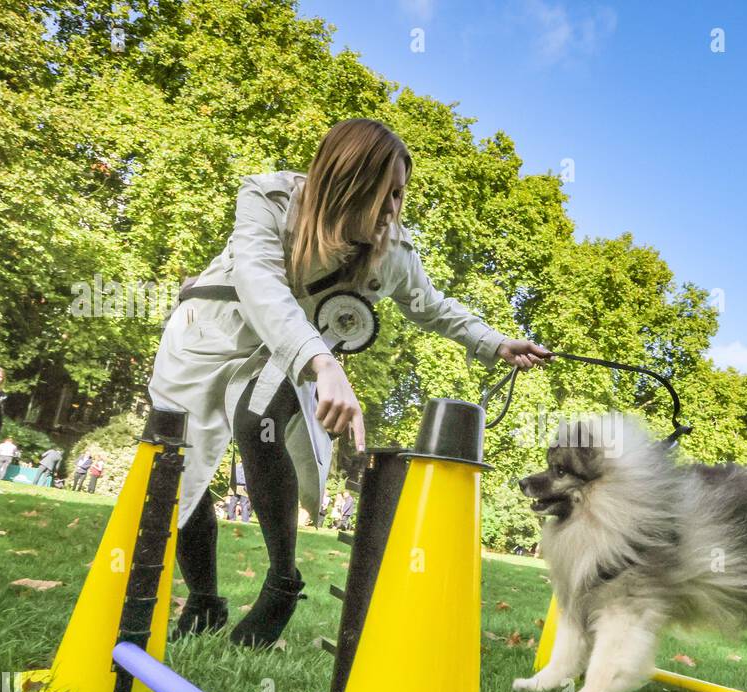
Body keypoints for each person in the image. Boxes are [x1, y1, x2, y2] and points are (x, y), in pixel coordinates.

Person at [152, 118, 550, 647]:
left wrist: (496, 342)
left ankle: (283, 581)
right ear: (348, 181)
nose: (392, 209)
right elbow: (258, 281)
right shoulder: (266, 199)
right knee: (175, 464)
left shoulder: (394, 252)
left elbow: (431, 306)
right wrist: (323, 362)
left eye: (399, 196)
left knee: (258, 417)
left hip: (290, 351)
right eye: (384, 194)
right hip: (210, 331)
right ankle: (204, 599)